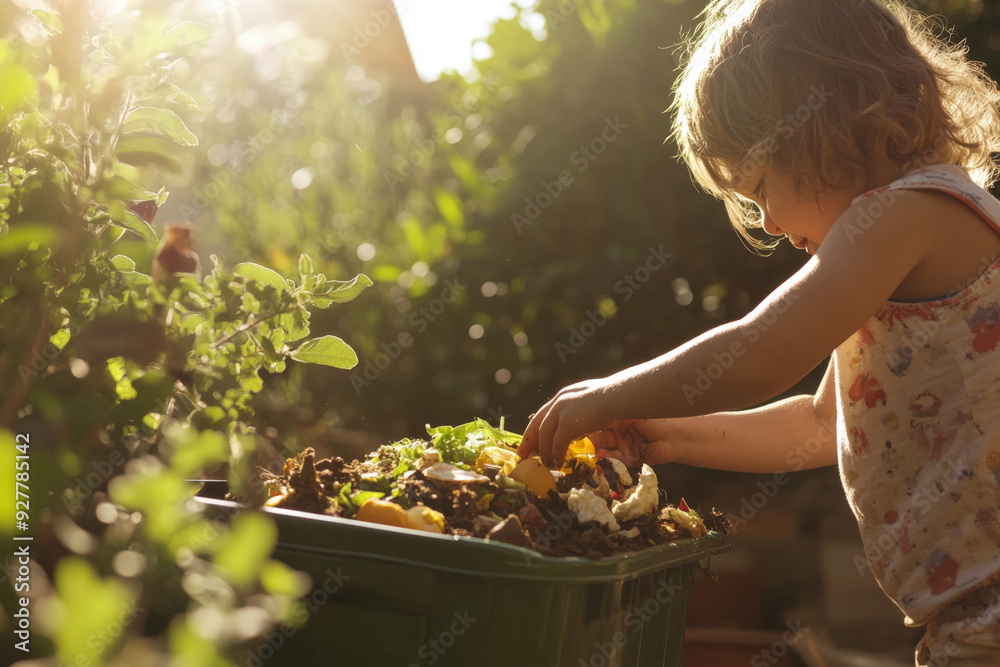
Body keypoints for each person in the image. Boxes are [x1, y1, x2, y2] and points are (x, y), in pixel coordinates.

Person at [514, 1, 1000, 664]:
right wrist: (664, 432)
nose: (767, 222)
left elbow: (761, 348)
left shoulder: (905, 214)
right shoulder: (891, 254)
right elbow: (816, 425)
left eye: (760, 184)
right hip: (967, 616)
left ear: (825, 123)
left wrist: (611, 394)